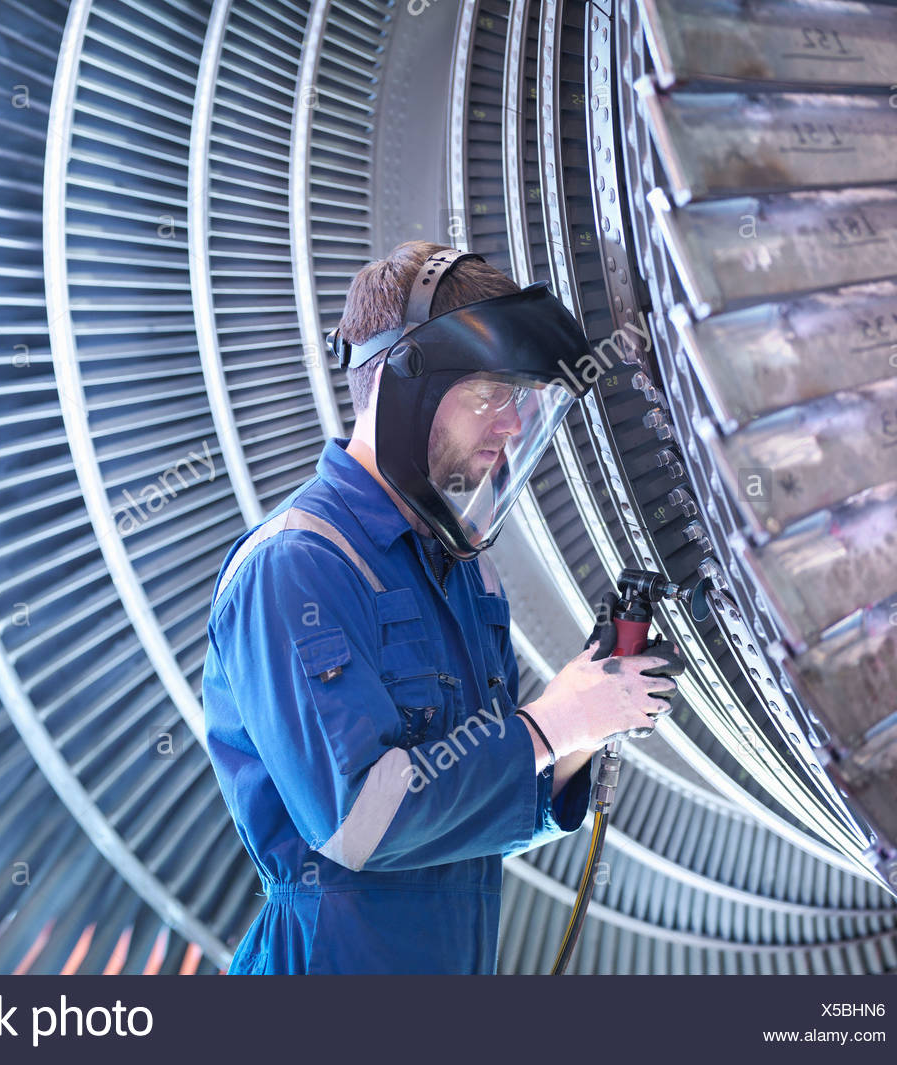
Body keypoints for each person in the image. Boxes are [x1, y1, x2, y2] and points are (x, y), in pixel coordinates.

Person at [201, 241, 685, 974]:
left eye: (519, 400)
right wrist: (551, 723)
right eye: (491, 396)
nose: (514, 427)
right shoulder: (294, 568)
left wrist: (587, 721)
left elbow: (467, 809)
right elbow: (360, 823)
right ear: (406, 388)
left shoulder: (462, 572)